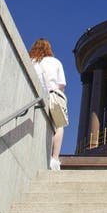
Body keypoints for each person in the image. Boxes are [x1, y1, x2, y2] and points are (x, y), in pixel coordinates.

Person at [29, 38, 67, 171]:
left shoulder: (32, 62)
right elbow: (62, 84)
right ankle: (54, 158)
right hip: (53, 95)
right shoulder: (56, 62)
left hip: (36, 96)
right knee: (59, 125)